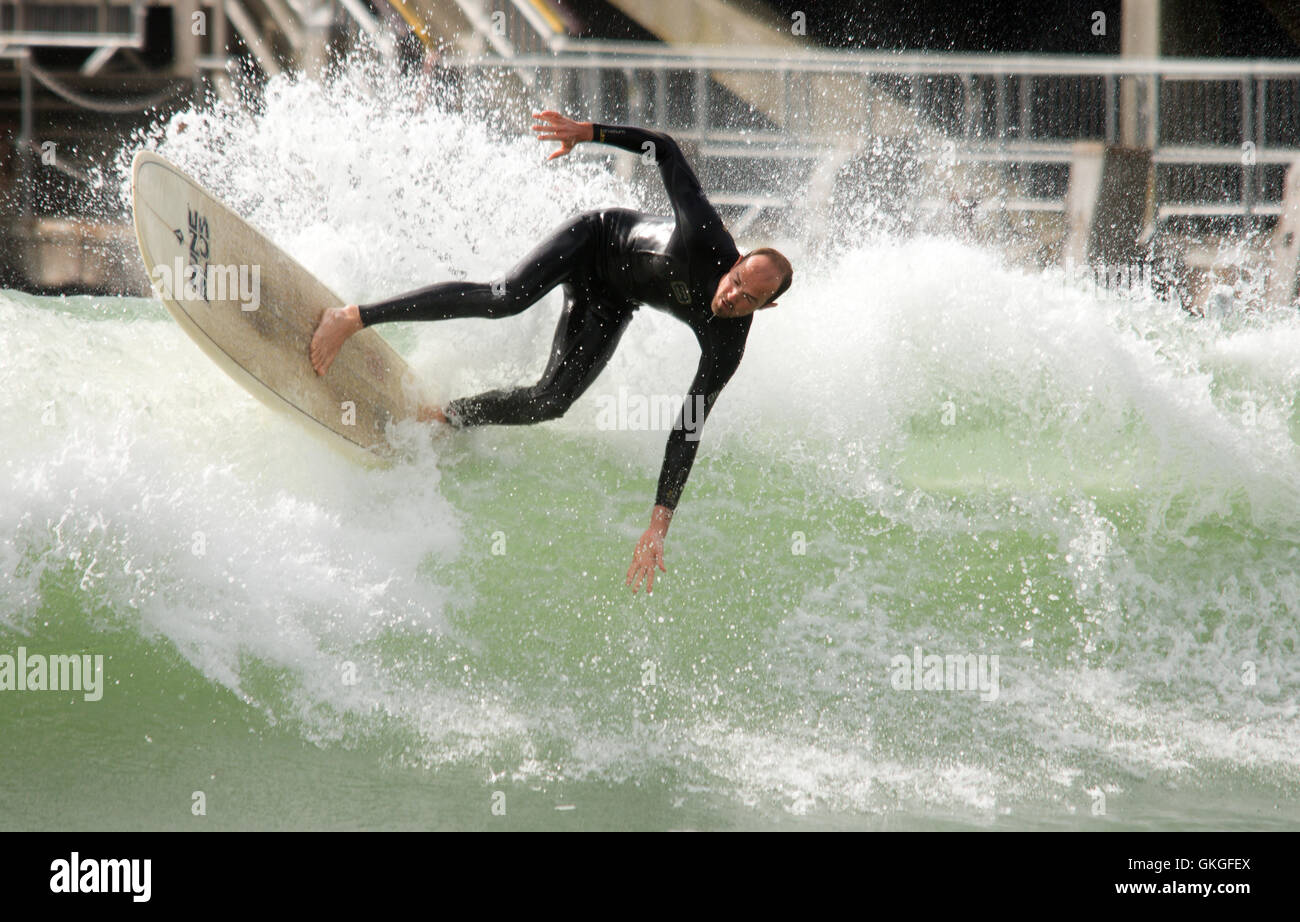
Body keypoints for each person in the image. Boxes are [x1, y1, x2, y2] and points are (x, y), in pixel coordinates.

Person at [309, 111, 793, 594]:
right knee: (506, 298)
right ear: (735, 263)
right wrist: (590, 134)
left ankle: (445, 416)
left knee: (550, 401)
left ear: (766, 307)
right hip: (594, 238)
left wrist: (657, 526)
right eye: (735, 282)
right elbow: (665, 148)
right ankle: (354, 316)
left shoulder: (728, 344)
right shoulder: (707, 237)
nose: (732, 297)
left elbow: (689, 426)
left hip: (612, 298)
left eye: (748, 298)